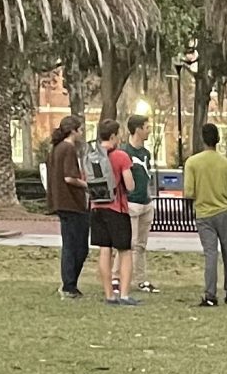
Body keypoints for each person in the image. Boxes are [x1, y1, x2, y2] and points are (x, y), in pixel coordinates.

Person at [184, 122, 227, 308]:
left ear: (202, 139)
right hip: (223, 212)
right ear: (218, 139)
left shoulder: (192, 162)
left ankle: (210, 294)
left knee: (210, 253)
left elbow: (189, 192)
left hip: (203, 213)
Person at [91, 118, 137, 305]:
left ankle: (109, 295)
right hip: (117, 208)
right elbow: (130, 185)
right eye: (117, 135)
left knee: (104, 250)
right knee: (125, 251)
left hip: (97, 207)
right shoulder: (120, 156)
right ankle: (124, 294)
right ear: (112, 136)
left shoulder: (92, 156)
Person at [46, 114, 90, 299]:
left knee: (71, 244)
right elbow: (69, 178)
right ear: (73, 131)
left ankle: (69, 284)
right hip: (72, 203)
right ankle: (68, 285)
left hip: (61, 202)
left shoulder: (56, 149)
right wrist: (87, 185)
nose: (81, 133)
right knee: (77, 246)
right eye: (80, 130)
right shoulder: (68, 148)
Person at [124, 112, 157, 294]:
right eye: (146, 127)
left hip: (145, 203)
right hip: (132, 202)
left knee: (141, 245)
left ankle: (140, 279)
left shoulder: (146, 153)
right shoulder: (125, 152)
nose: (149, 131)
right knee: (129, 244)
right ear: (137, 129)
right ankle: (120, 278)